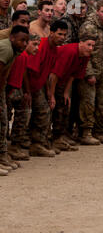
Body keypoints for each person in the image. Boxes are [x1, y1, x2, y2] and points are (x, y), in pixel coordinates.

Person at [47, 33, 96, 152]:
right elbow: (53, 76)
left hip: (63, 80)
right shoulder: (70, 51)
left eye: (93, 46)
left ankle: (61, 136)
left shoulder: (85, 55)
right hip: (50, 78)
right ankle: (53, 138)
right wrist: (51, 95)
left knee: (65, 105)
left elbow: (73, 75)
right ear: (81, 43)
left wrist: (66, 92)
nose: (91, 48)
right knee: (55, 107)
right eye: (88, 45)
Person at [78, 0, 103, 146]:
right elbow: (83, 52)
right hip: (89, 71)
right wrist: (89, 73)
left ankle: (100, 132)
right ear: (97, 11)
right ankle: (86, 133)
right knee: (88, 103)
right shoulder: (88, 27)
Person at [27, 20, 67, 157]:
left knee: (45, 110)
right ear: (51, 33)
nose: (62, 37)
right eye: (59, 34)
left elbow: (49, 75)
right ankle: (36, 144)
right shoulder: (41, 45)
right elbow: (29, 70)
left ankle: (40, 142)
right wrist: (29, 92)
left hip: (39, 84)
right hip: (30, 84)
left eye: (64, 35)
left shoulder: (55, 49)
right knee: (42, 111)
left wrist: (50, 95)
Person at [6, 34, 40, 162]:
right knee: (6, 117)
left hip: (17, 88)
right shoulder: (18, 55)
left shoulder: (24, 56)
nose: (37, 48)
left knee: (22, 114)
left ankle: (15, 146)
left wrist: (27, 91)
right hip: (9, 89)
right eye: (34, 44)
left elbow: (24, 73)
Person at [0, 26, 29, 176]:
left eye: (26, 41)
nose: (25, 44)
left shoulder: (14, 52)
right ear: (12, 38)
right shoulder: (7, 49)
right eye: (21, 40)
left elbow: (4, 76)